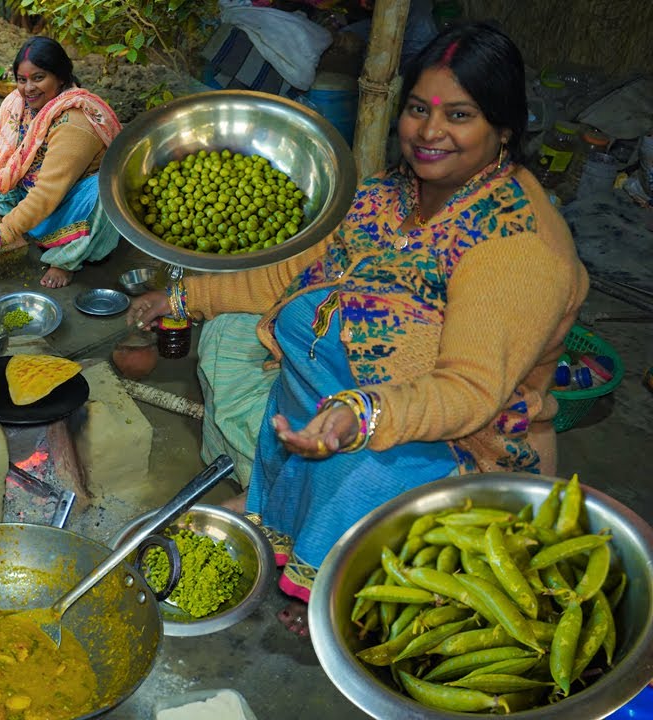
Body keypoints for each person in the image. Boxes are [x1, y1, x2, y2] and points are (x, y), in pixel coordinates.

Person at [128, 23, 587, 633]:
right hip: (335, 399)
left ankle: (336, 579)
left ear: (503, 129)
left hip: (442, 439)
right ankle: (278, 518)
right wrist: (187, 297)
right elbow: (299, 271)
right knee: (274, 383)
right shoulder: (389, 192)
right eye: (419, 109)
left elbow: (471, 391)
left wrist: (362, 414)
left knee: (355, 484)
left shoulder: (517, 247)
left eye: (460, 115)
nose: (429, 132)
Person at [0, 36, 123, 288]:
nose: (28, 88)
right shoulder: (19, 105)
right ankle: (16, 216)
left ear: (61, 77)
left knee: (106, 192)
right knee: (6, 161)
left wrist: (0, 236)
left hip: (69, 196)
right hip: (36, 186)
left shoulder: (75, 122)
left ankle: (66, 259)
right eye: (22, 79)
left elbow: (48, 192)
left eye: (39, 78)